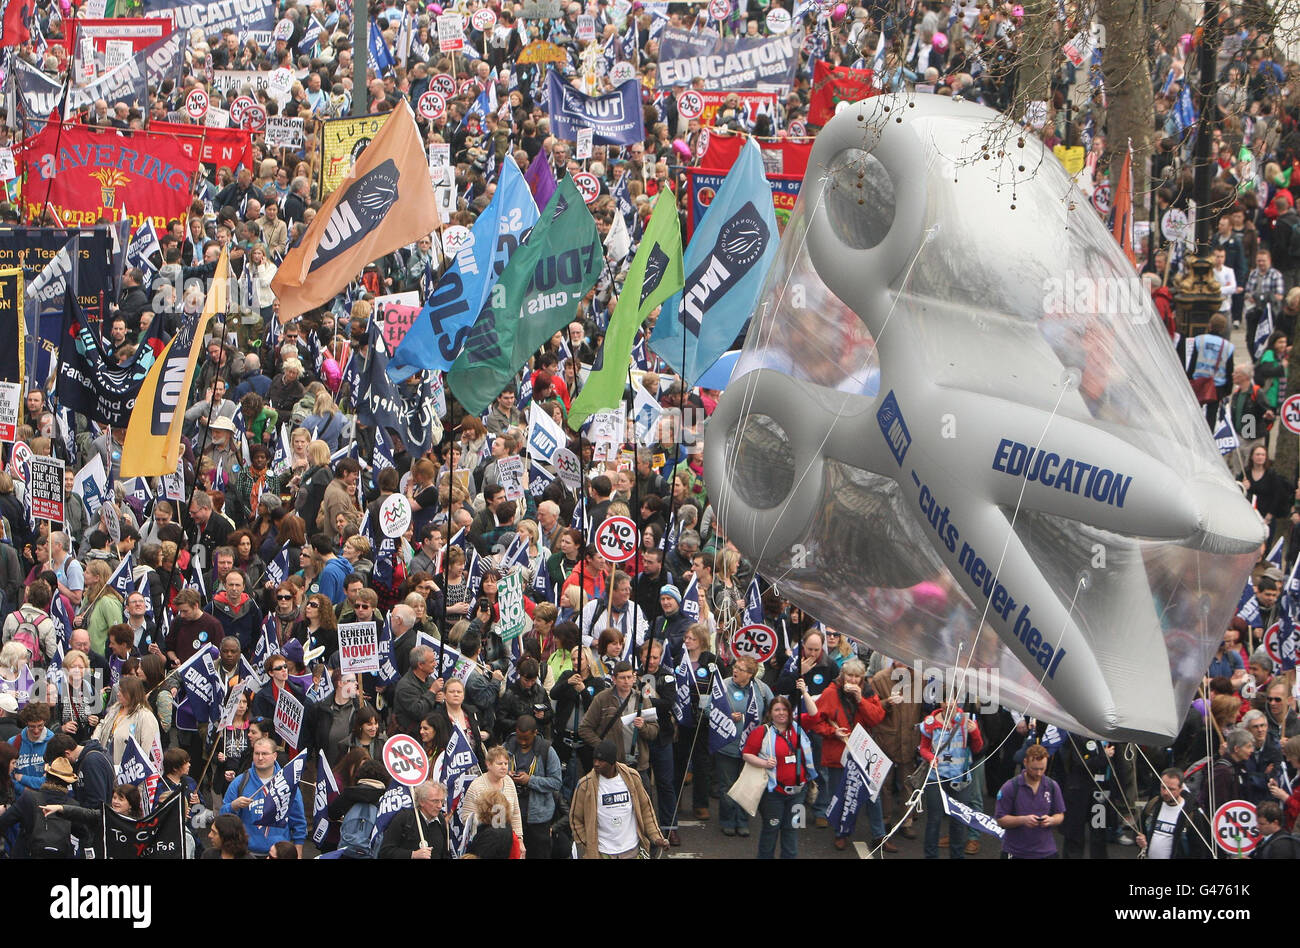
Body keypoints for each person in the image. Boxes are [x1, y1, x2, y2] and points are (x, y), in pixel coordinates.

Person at [741, 692, 819, 860]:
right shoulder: (761, 732)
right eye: (777, 709)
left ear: (790, 712)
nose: (781, 713)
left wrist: (804, 692)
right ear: (770, 713)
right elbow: (747, 754)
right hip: (773, 793)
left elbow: (815, 715)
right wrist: (764, 763)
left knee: (792, 830)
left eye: (785, 709)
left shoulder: (798, 728)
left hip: (799, 793)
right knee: (771, 830)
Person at [569, 739, 668, 858]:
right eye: (594, 759)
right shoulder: (585, 785)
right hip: (602, 853)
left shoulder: (632, 778)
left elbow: (646, 810)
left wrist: (657, 838)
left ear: (612, 762)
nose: (596, 763)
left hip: (632, 851)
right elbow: (575, 819)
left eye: (601, 760)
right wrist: (589, 845)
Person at [220, 736, 306, 857]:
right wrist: (234, 805)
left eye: (265, 753)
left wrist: (298, 850)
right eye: (257, 753)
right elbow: (223, 818)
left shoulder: (287, 783)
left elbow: (298, 821)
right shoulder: (240, 782)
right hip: (247, 853)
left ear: (275, 755)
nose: (260, 758)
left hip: (278, 854)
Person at [578, 660, 657, 784]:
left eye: (629, 677)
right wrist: (603, 747)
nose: (626, 681)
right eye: (622, 678)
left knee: (642, 802)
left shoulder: (642, 699)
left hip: (638, 766)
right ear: (614, 679)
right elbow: (584, 728)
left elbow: (654, 731)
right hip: (612, 766)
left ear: (634, 678)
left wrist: (643, 727)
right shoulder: (602, 698)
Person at [504, 714, 562, 860]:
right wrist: (506, 776)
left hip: (538, 817)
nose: (522, 742)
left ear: (535, 733)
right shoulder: (506, 748)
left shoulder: (547, 750)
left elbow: (556, 782)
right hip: (512, 814)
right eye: (519, 738)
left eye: (526, 739)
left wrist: (530, 780)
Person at [995, 742, 1065, 859]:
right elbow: (1000, 819)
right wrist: (1023, 820)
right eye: (1034, 769)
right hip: (1016, 852)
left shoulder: (1052, 786)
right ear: (1025, 762)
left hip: (1046, 852)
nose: (1038, 773)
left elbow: (1060, 814)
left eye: (1042, 769)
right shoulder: (1010, 787)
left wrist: (1052, 820)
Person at [0, 757, 81, 857]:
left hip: (27, 853)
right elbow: (84, 835)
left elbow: (4, 822)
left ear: (47, 776)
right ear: (68, 783)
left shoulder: (28, 798)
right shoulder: (73, 806)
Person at [1135, 768, 1204, 859]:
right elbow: (1138, 830)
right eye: (1163, 787)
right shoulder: (1153, 805)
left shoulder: (1192, 814)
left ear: (1181, 789)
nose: (1166, 792)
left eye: (1171, 789)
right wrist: (1140, 840)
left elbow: (1199, 850)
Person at [378, 780, 449, 859]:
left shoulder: (440, 821)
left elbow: (444, 853)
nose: (439, 806)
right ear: (422, 801)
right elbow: (385, 851)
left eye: (442, 801)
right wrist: (413, 854)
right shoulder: (404, 818)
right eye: (435, 801)